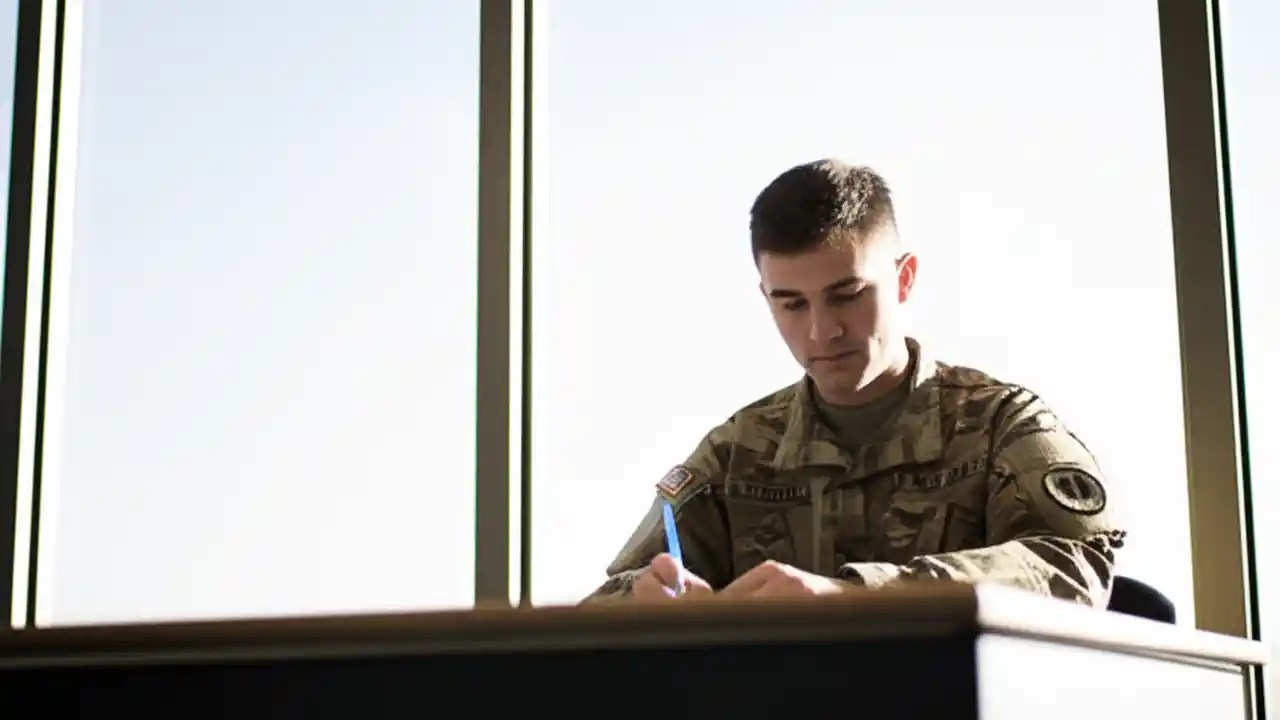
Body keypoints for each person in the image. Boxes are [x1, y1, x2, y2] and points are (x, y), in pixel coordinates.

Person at [583, 159, 1125, 607]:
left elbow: (1077, 563)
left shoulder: (1000, 425)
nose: (822, 330)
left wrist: (857, 595)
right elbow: (608, 601)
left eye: (847, 295)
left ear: (904, 278)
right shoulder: (735, 455)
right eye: (791, 304)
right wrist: (641, 601)